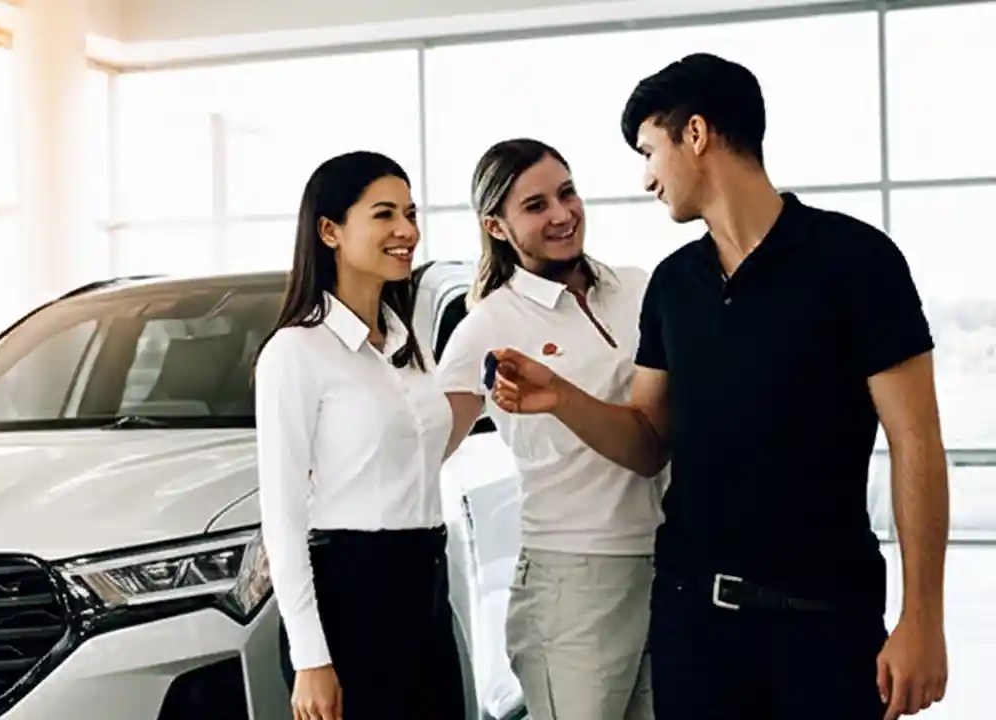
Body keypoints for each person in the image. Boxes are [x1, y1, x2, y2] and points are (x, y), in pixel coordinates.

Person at [486, 53, 949, 720]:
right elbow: (649, 440)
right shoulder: (673, 285)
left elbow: (916, 439)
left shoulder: (857, 261)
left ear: (695, 134)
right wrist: (560, 396)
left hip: (825, 623)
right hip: (692, 629)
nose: (646, 177)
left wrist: (922, 618)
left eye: (650, 151)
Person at [436, 138, 663, 720]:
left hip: (668, 562)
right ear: (497, 226)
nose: (562, 214)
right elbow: (428, 445)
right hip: (574, 578)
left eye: (567, 193)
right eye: (535, 206)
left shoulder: (637, 287)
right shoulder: (489, 324)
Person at [254, 150, 464, 720]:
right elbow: (283, 518)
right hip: (351, 598)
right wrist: (311, 659)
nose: (406, 230)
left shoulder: (406, 344)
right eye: (384, 214)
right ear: (329, 231)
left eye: (411, 213)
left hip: (426, 588)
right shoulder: (296, 353)